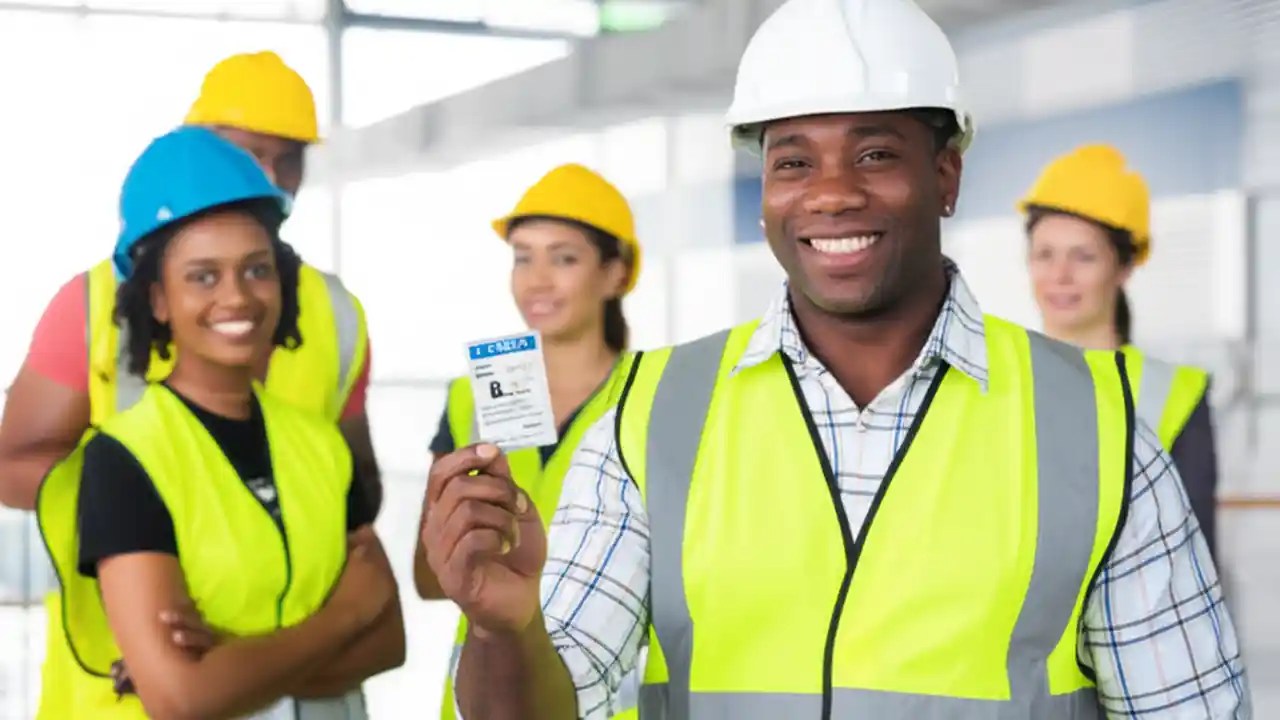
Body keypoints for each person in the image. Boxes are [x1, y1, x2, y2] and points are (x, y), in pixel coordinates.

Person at [420, 0, 1250, 718]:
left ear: (947, 175)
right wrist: (504, 631)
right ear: (765, 195)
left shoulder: (1097, 433)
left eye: (875, 153)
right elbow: (555, 702)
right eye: (792, 161)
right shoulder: (650, 421)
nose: (830, 192)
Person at [1, 51, 380, 719]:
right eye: (248, 152)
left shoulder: (336, 313)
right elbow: (11, 464)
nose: (269, 175)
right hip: (123, 689)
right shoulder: (90, 306)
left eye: (289, 158)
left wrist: (248, 645)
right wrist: (145, 538)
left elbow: (359, 493)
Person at [413, 163, 643, 720]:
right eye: (523, 257)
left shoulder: (655, 395)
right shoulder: (470, 399)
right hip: (485, 699)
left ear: (615, 273)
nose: (537, 280)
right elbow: (426, 575)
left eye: (563, 259)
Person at [1019, 144, 1220, 558]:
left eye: (1084, 257)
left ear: (1123, 267)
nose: (1059, 275)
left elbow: (1196, 559)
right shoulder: (994, 377)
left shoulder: (1177, 393)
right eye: (1044, 254)